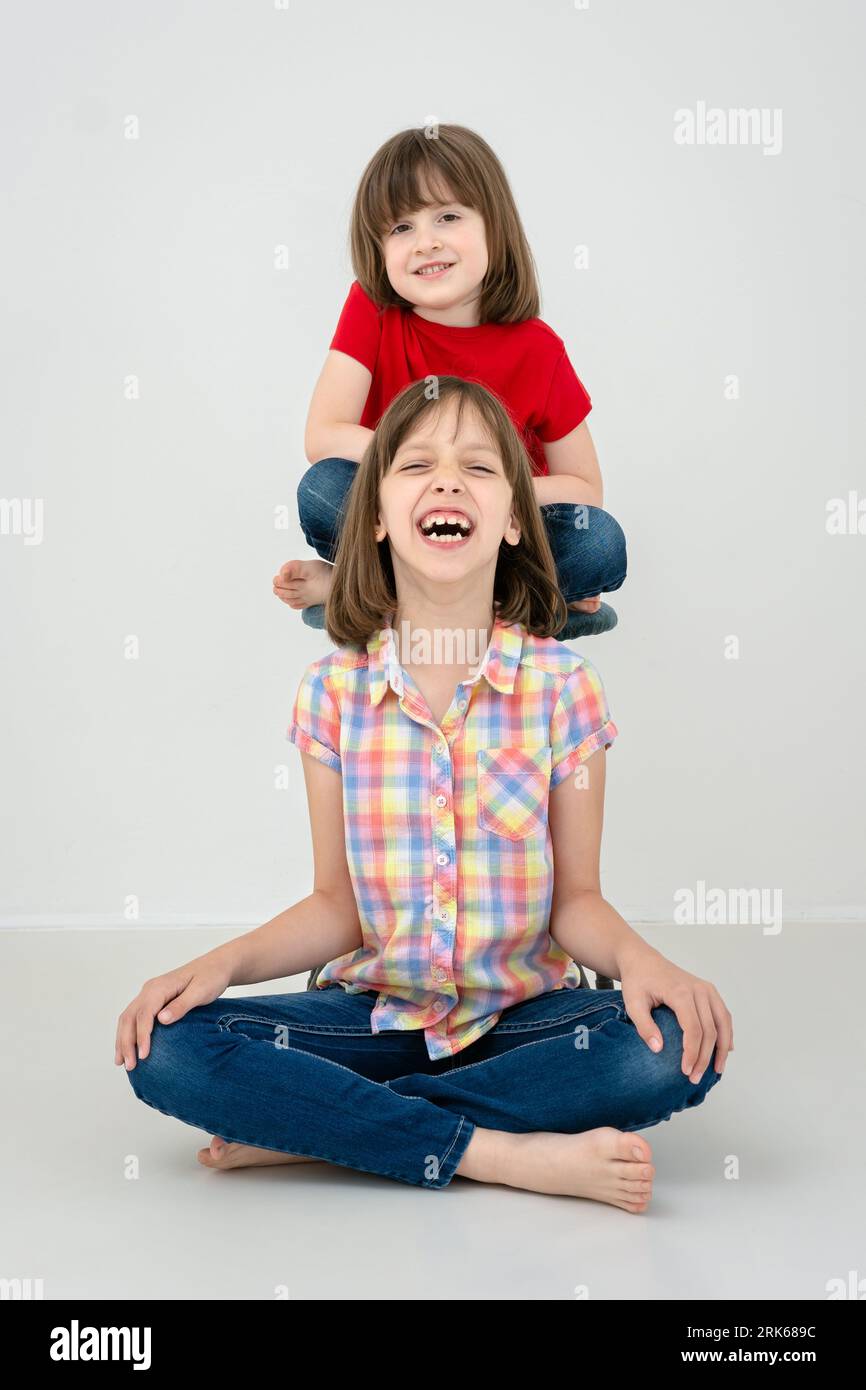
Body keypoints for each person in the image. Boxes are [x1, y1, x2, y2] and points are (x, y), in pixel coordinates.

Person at [117, 377, 732, 1210]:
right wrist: (217, 963)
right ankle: (502, 1152)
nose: (447, 482)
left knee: (665, 1049)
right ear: (374, 516)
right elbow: (337, 906)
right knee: (169, 1048)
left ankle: (326, 1130)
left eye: (478, 468)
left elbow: (576, 902)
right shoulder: (331, 692)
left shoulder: (563, 689)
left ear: (515, 519)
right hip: (373, 1023)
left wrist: (644, 962)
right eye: (417, 466)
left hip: (524, 1024)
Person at [273, 122, 626, 641]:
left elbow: (585, 489)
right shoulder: (372, 310)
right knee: (324, 489)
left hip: (496, 530)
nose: (425, 242)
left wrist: (483, 485)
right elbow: (324, 434)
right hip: (401, 520)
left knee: (597, 542)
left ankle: (368, 590)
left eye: (447, 216)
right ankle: (531, 600)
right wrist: (420, 471)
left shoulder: (537, 346)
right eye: (400, 228)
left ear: (494, 227)